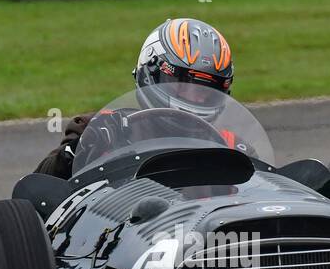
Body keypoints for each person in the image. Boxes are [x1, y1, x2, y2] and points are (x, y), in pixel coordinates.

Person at [35, 17, 235, 179]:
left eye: (206, 91)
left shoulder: (230, 147)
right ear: (152, 73)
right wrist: (77, 151)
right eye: (184, 86)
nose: (197, 100)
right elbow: (39, 192)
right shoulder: (101, 130)